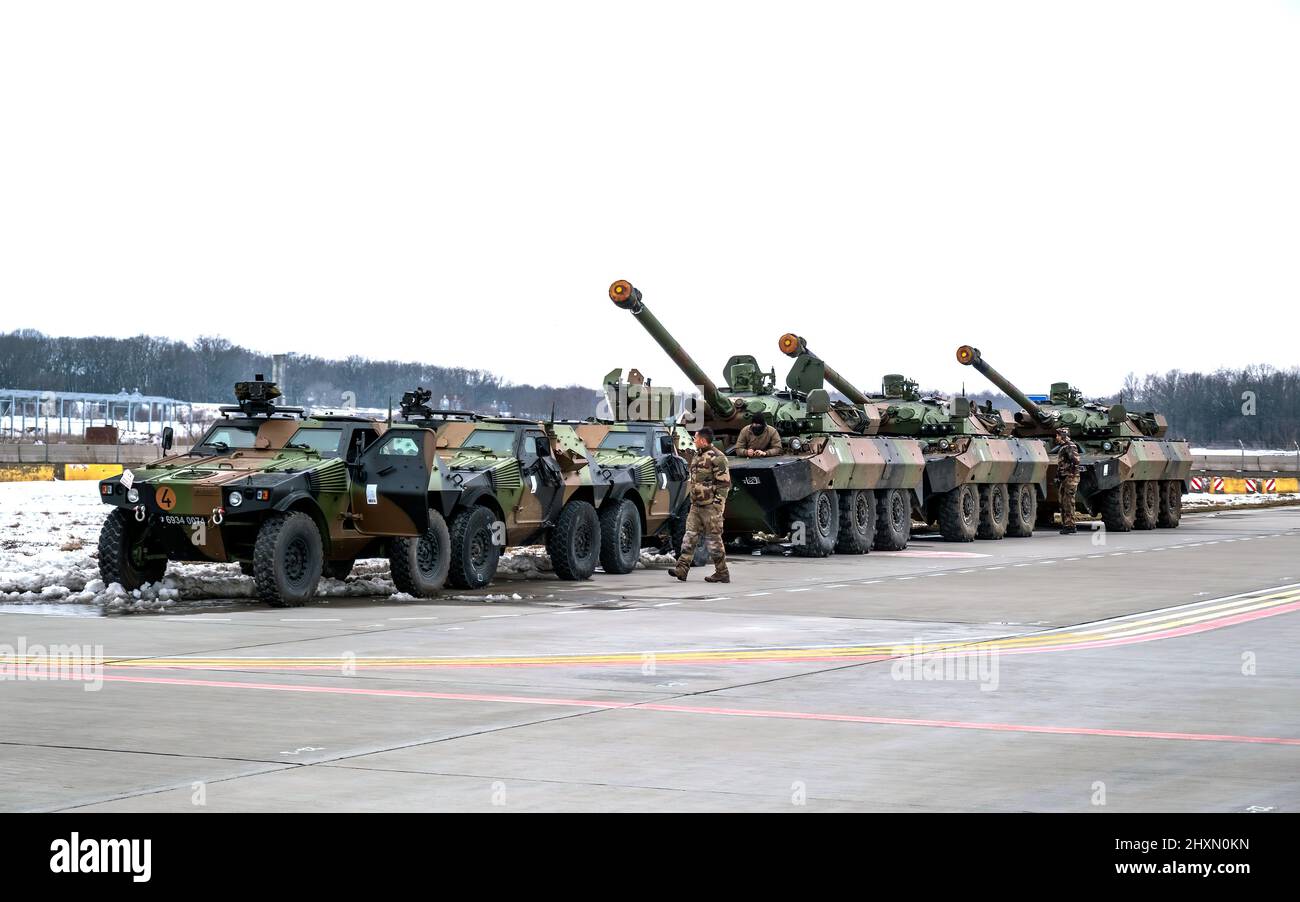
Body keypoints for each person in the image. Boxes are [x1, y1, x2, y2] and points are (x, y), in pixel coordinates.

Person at [672, 427, 731, 583]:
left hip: (711, 507)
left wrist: (718, 506)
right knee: (689, 538)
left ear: (703, 440)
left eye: (696, 437)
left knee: (713, 542)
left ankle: (722, 572)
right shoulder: (697, 456)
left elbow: (724, 484)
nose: (694, 440)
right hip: (696, 506)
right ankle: (682, 569)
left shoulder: (718, 458)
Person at [1055, 426, 1082, 534]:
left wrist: (1069, 473)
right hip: (1065, 478)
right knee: (1063, 501)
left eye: (1057, 435)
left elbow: (1076, 461)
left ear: (1062, 436)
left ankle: (1070, 525)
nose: (1056, 437)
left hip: (1070, 478)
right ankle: (1066, 523)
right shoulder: (1064, 446)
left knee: (1068, 502)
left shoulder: (1070, 446)